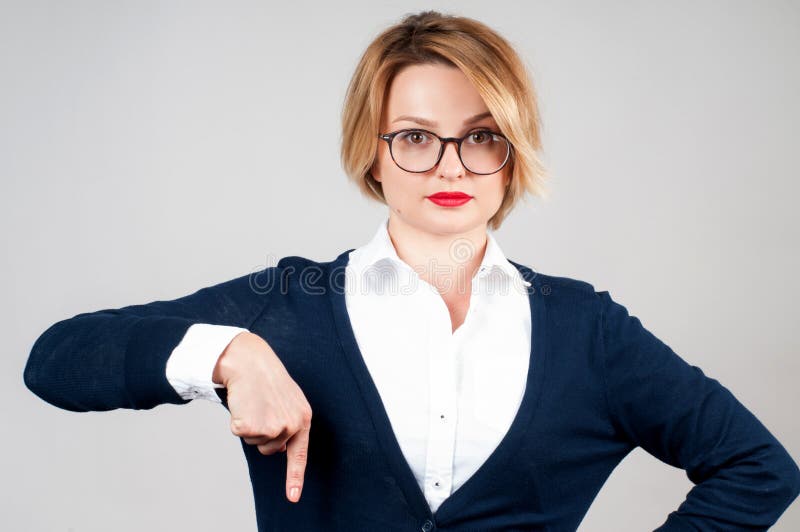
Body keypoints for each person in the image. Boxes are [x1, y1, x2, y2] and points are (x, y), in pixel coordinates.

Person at [23, 10, 800, 532]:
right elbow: (56, 357)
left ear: (513, 153)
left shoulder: (585, 331)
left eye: (482, 136)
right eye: (417, 137)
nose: (451, 165)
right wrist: (231, 353)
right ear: (373, 152)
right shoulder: (286, 307)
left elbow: (759, 469)